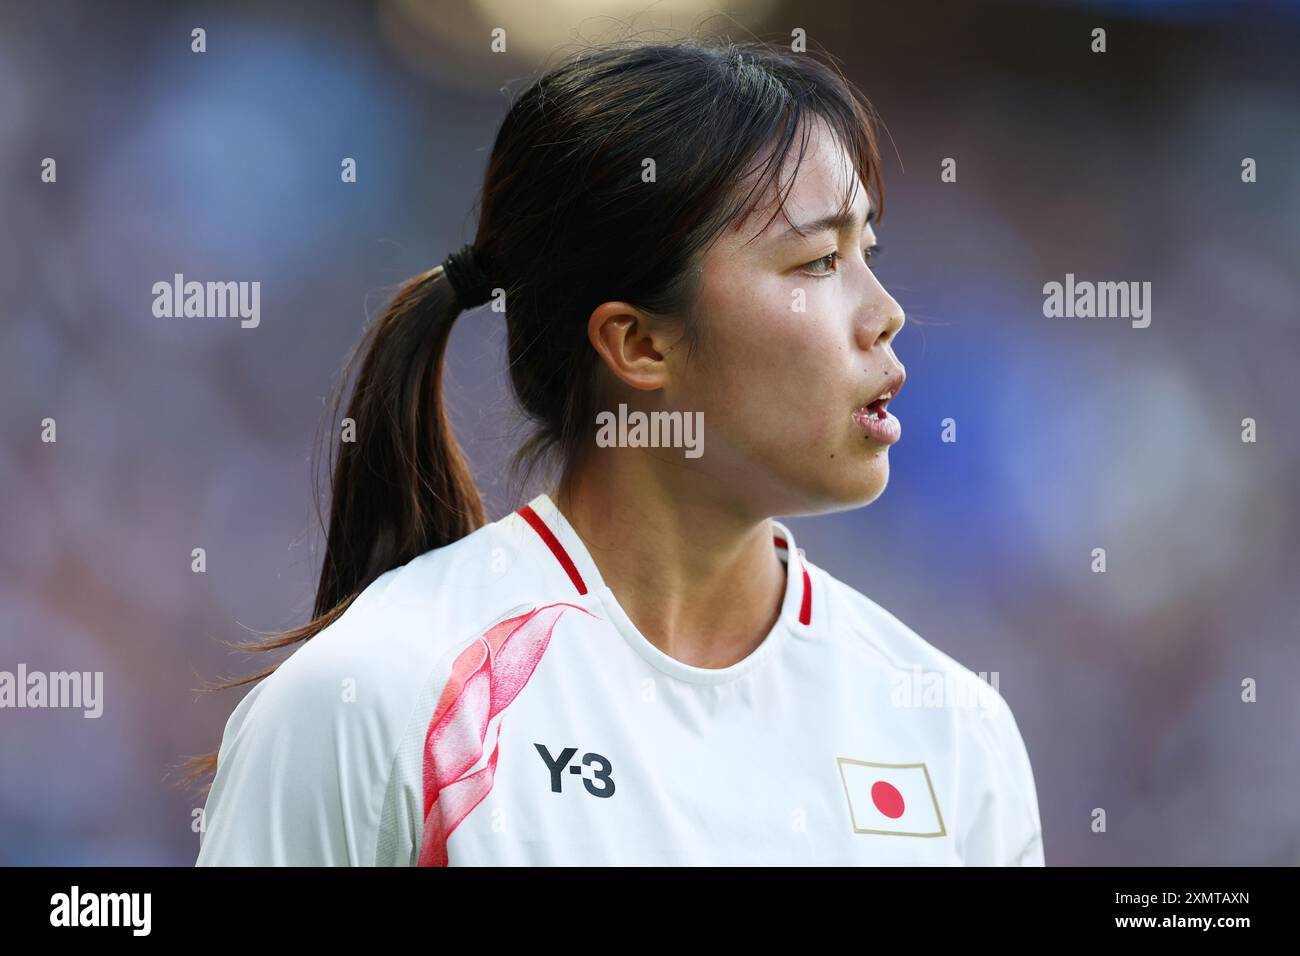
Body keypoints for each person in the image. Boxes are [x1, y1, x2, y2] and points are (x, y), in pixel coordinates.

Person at [189, 36, 1044, 866]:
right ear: (637, 344)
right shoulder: (372, 700)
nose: (887, 312)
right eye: (820, 261)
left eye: (868, 251)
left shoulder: (954, 733)